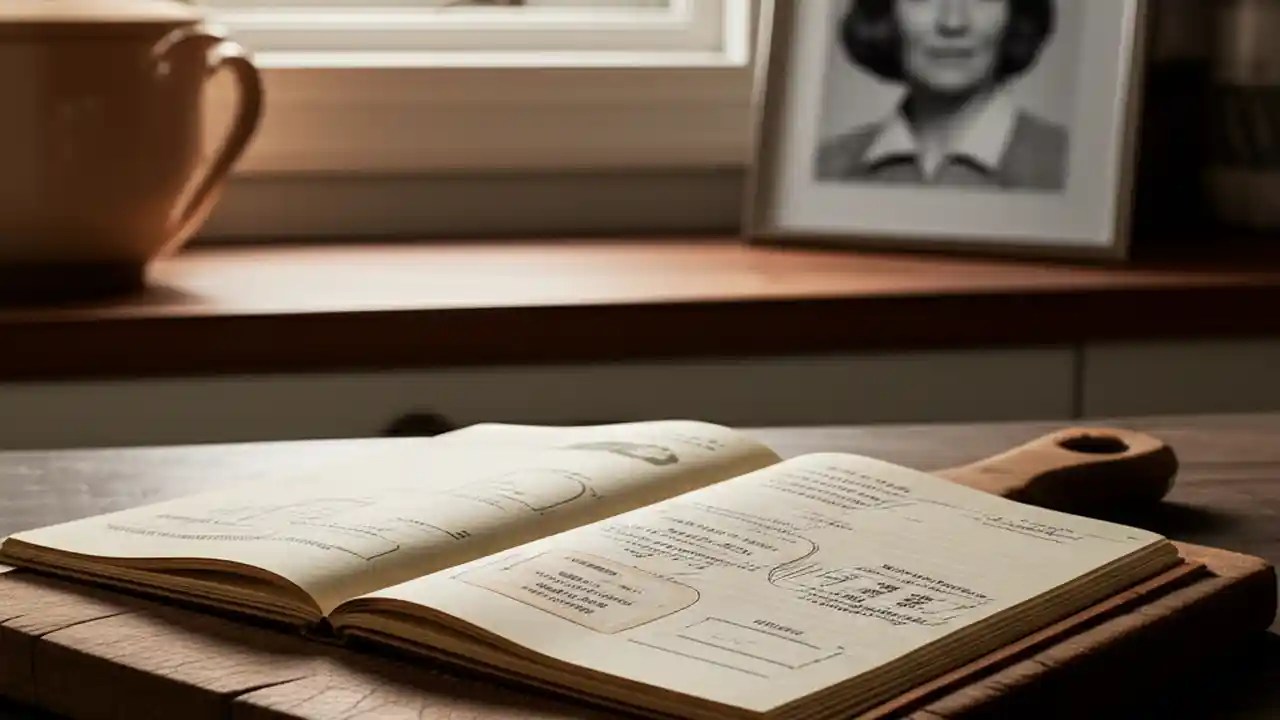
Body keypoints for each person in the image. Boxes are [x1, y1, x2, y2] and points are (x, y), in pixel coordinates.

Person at [816, 0, 1067, 191]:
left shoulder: (1069, 167)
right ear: (885, 11)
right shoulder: (824, 169)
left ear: (1015, 12)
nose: (953, 22)